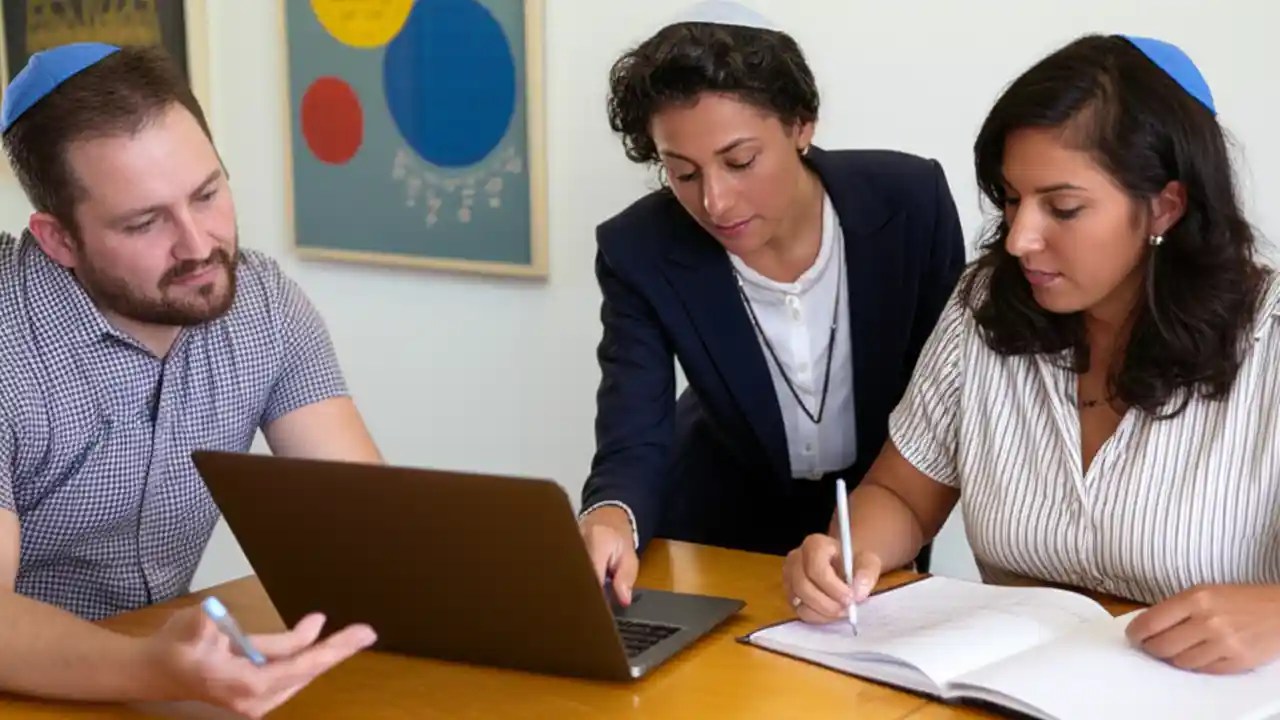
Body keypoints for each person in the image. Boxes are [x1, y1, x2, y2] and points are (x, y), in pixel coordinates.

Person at [784, 33, 1280, 675]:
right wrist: (846, 558)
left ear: (1164, 206)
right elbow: (902, 495)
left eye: (1063, 208)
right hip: (1010, 690)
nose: (1019, 239)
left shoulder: (1269, 337)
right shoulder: (985, 305)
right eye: (1012, 199)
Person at [0, 43, 379, 714]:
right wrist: (151, 669)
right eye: (146, 222)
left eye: (208, 194)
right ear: (58, 240)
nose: (198, 244)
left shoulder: (262, 302)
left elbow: (371, 521)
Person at [579, 0, 966, 606]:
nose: (716, 203)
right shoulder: (639, 247)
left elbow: (945, 396)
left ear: (801, 124)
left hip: (876, 526)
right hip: (714, 533)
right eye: (681, 173)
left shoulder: (911, 204)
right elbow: (634, 428)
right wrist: (609, 517)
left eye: (740, 162)